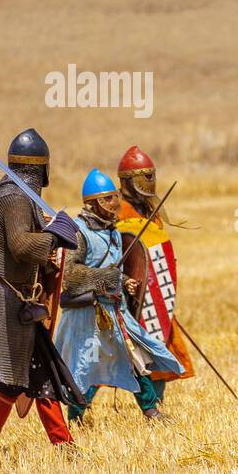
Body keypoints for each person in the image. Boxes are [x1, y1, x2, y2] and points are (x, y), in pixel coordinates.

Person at [0, 128, 82, 454]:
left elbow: (26, 243)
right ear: (40, 168)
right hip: (6, 299)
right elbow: (20, 246)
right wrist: (54, 236)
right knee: (25, 377)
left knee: (29, 376)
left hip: (16, 299)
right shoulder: (15, 197)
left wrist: (48, 236)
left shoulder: (17, 194)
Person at [54, 169, 184, 422]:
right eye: (108, 199)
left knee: (135, 357)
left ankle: (150, 410)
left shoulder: (112, 231)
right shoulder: (79, 231)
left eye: (114, 197)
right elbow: (70, 274)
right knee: (86, 365)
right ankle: (76, 416)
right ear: (94, 203)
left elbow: (114, 269)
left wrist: (125, 281)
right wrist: (108, 277)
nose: (114, 204)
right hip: (89, 313)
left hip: (115, 309)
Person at [116, 146, 194, 405]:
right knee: (104, 355)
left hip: (152, 296)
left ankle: (155, 405)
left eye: (151, 175)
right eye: (144, 176)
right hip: (124, 295)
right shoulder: (117, 209)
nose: (149, 181)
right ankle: (78, 412)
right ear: (128, 181)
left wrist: (160, 294)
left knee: (161, 348)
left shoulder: (152, 210)